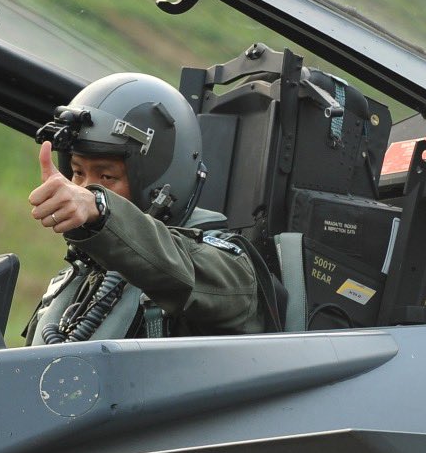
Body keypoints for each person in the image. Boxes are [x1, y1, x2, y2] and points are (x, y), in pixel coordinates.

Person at [24, 72, 268, 343]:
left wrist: (102, 210)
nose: (84, 190)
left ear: (162, 183)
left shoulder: (227, 270)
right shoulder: (83, 278)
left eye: (106, 177)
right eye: (78, 172)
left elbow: (178, 269)